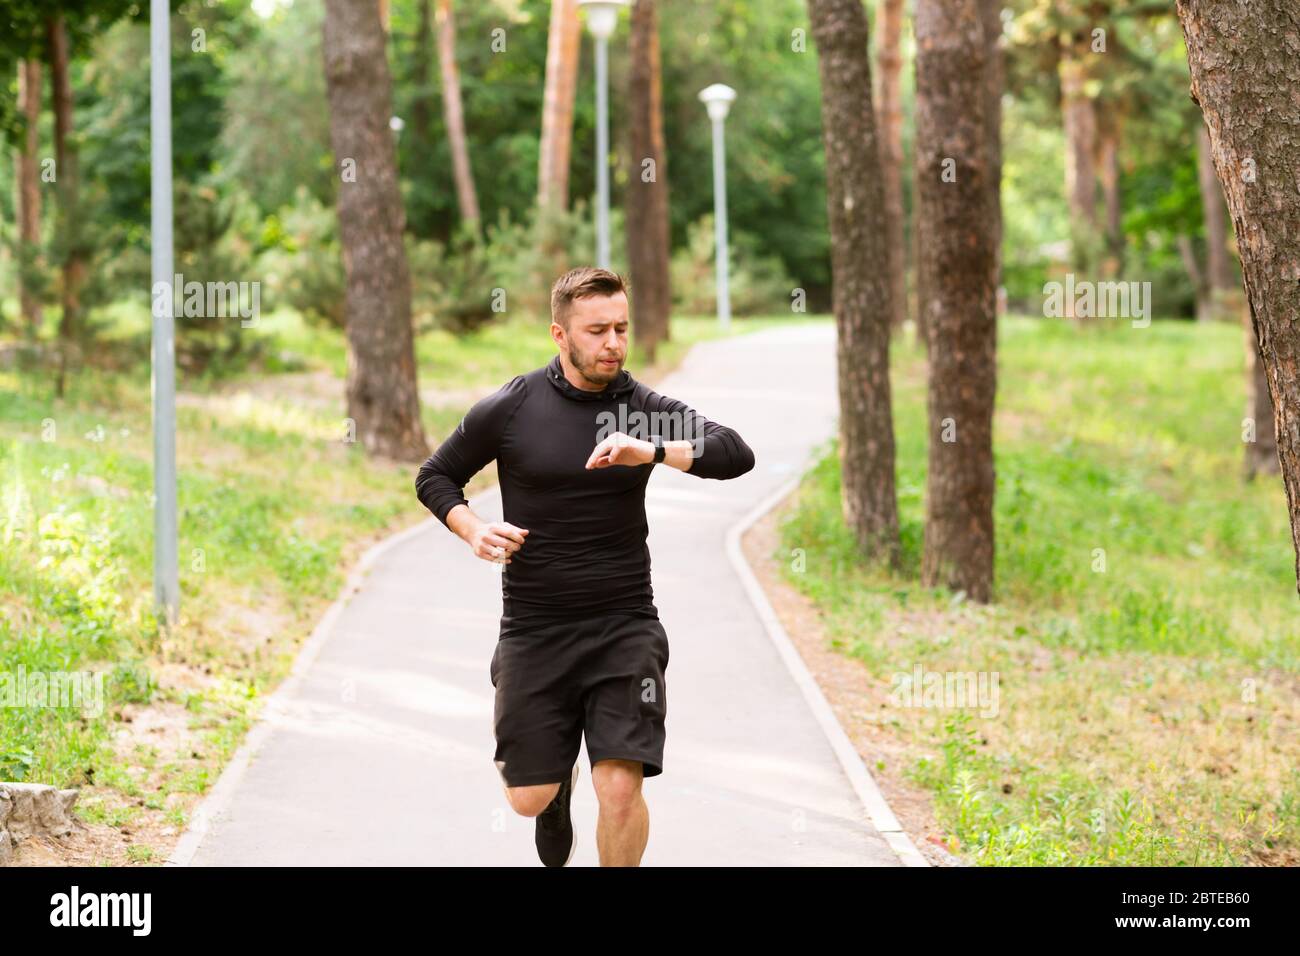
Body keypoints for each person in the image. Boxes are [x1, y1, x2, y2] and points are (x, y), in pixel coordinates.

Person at [415, 266, 756, 866]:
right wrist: (473, 528)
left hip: (624, 624)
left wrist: (649, 450)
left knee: (621, 789)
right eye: (597, 330)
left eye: (621, 328)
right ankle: (553, 793)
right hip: (535, 627)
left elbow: (734, 452)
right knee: (525, 796)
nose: (613, 344)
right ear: (559, 334)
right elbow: (435, 476)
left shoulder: (641, 407)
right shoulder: (514, 406)